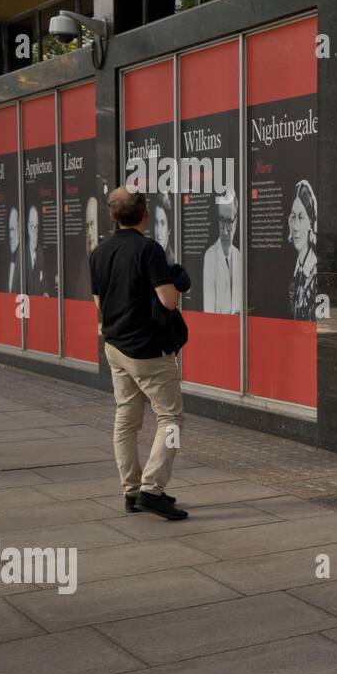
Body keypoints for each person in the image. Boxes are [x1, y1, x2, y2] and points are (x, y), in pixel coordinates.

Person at [89, 186, 190, 520]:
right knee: (171, 418)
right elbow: (169, 301)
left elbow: (99, 304)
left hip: (115, 347)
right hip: (148, 351)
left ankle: (131, 491)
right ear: (145, 214)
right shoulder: (149, 250)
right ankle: (153, 489)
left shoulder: (99, 252)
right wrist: (175, 281)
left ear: (112, 216)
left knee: (126, 418)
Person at [202, 188, 242, 314]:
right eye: (221, 221)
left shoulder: (239, 256)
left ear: (236, 221)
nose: (225, 231)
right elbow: (208, 311)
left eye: (229, 221)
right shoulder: (210, 256)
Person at [287, 179, 318, 320]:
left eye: (301, 217)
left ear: (310, 222)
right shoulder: (294, 270)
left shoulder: (314, 272)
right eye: (293, 217)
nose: (296, 227)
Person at [26, 205, 45, 295]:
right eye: (32, 226)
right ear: (28, 227)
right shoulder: (22, 253)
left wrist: (46, 293)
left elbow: (45, 282)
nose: (34, 231)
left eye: (36, 227)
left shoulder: (41, 252)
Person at [152, 192, 175, 263]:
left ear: (169, 230)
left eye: (162, 223)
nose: (158, 231)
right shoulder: (150, 258)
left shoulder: (172, 261)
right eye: (156, 222)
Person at [5, 206, 19, 293]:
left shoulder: (28, 258)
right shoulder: (7, 260)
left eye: (13, 229)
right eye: (10, 230)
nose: (10, 235)